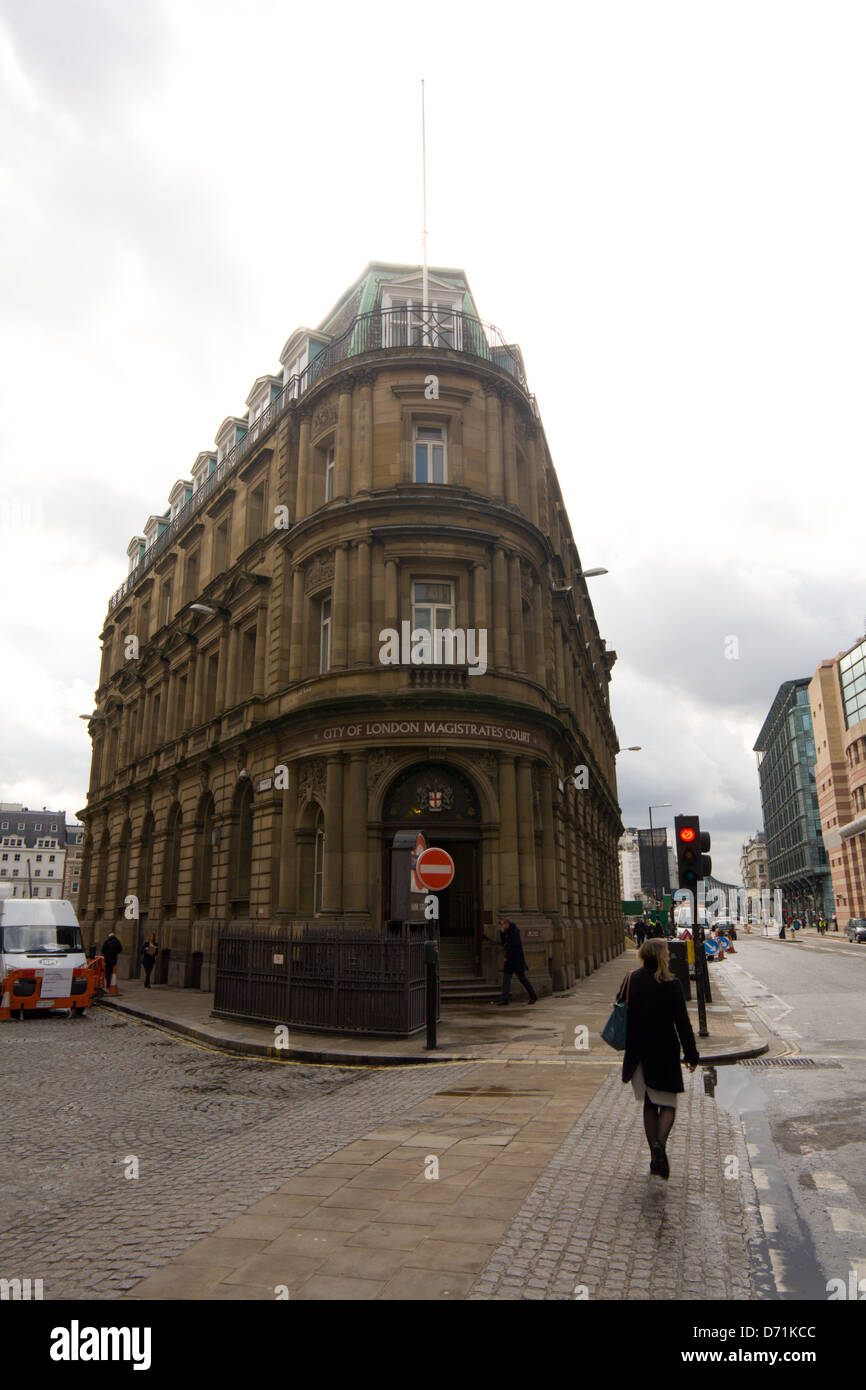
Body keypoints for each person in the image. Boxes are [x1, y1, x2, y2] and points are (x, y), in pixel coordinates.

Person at [616, 937, 699, 1180]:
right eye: (666, 953)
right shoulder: (672, 984)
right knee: (668, 1105)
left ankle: (655, 1159)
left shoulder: (631, 979)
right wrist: (691, 1054)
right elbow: (682, 1024)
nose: (669, 956)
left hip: (638, 1052)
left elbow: (620, 1006)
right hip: (664, 1052)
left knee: (650, 1105)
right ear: (660, 956)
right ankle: (660, 1144)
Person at [493, 918, 537, 1005]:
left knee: (522, 979)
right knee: (506, 979)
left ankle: (533, 996)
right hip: (510, 961)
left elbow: (514, 947)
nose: (502, 926)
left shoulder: (514, 932)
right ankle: (505, 999)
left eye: (503, 924)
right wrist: (501, 933)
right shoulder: (508, 931)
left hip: (516, 960)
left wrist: (507, 956)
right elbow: (504, 942)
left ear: (507, 924)